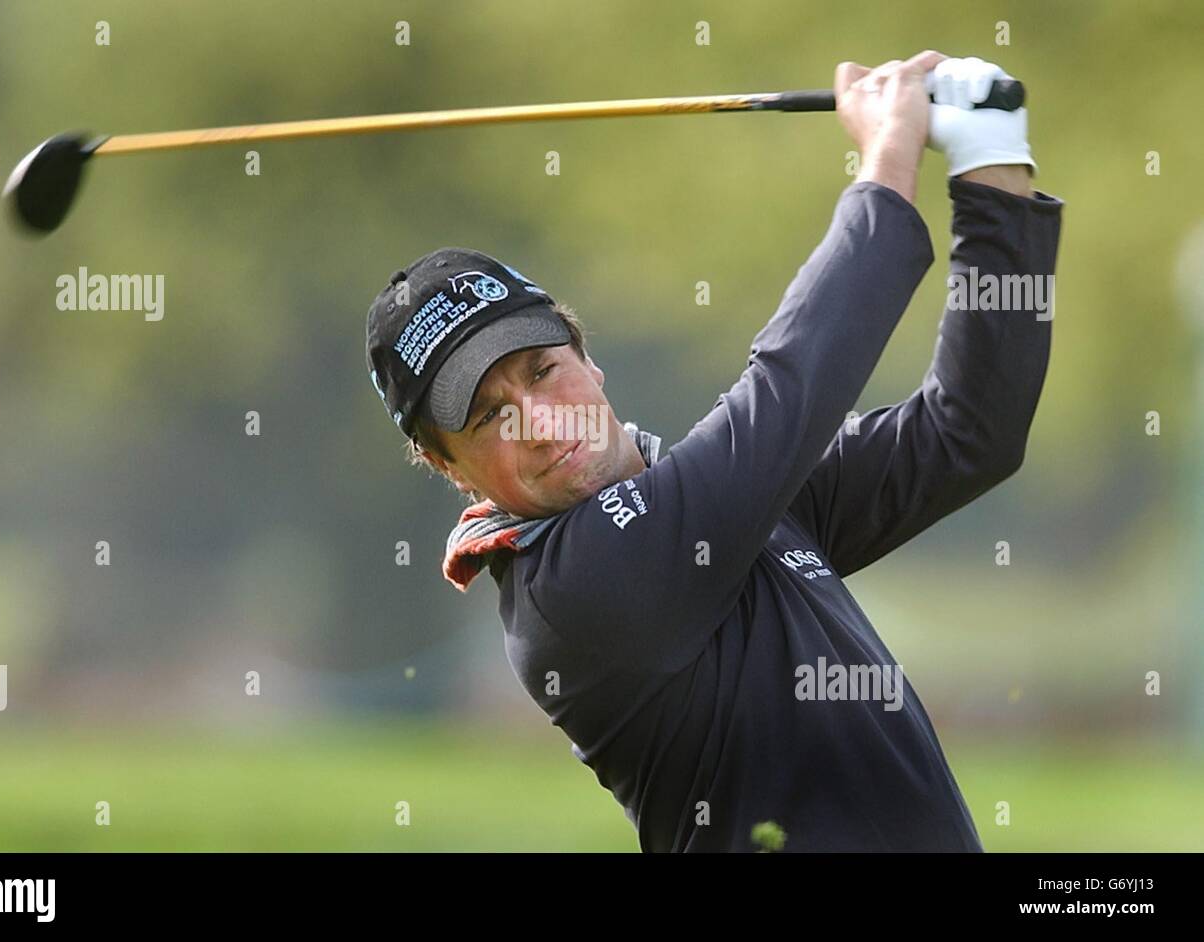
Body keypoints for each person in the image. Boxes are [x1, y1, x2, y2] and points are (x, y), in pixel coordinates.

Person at [365, 51, 1063, 851]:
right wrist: (886, 157)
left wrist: (991, 165)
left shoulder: (730, 510)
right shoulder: (574, 586)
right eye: (488, 417)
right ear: (452, 471)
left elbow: (971, 431)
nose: (539, 420)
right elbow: (792, 385)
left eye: (541, 370)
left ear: (587, 359)